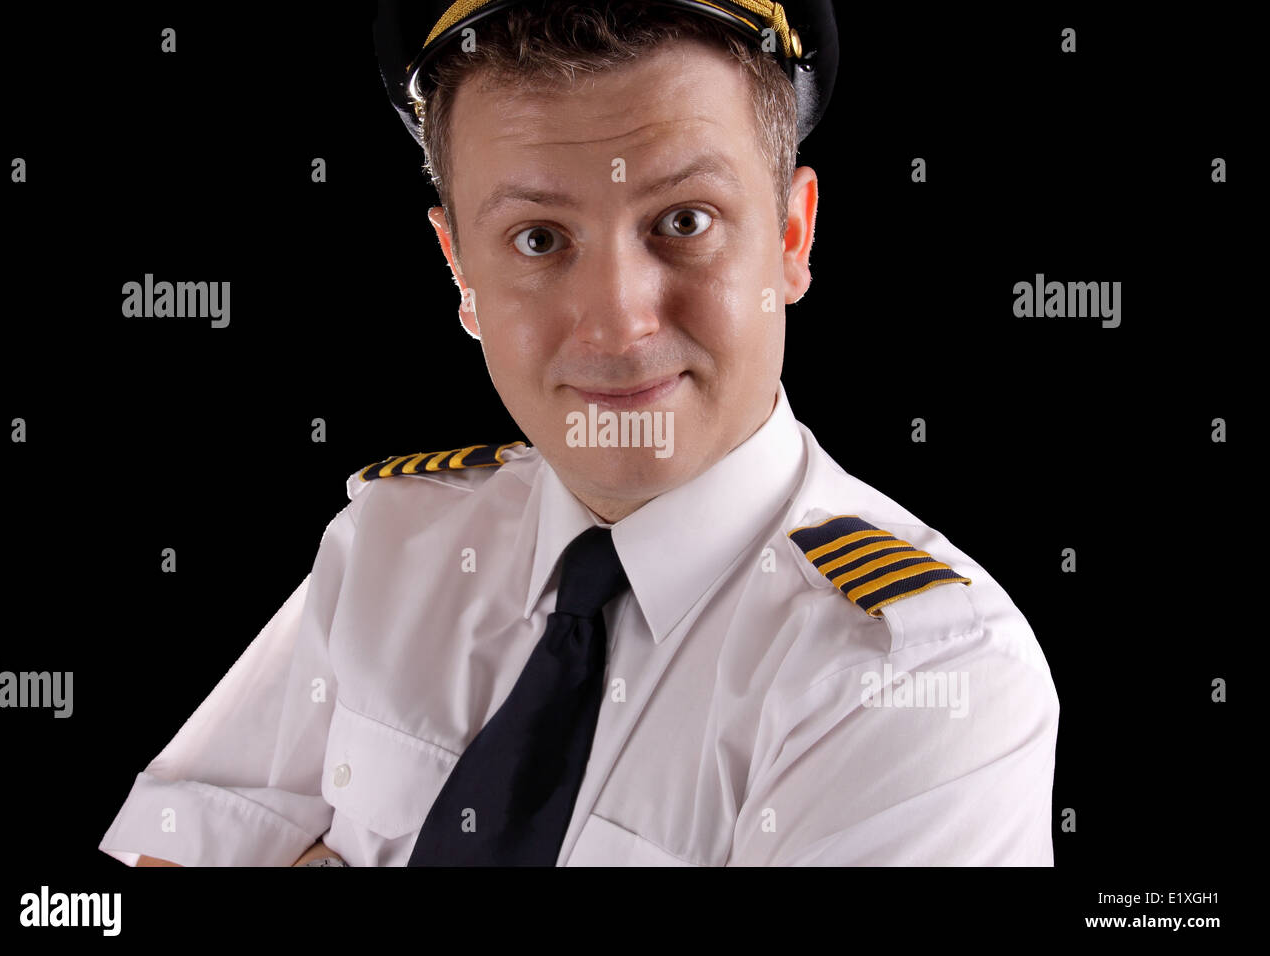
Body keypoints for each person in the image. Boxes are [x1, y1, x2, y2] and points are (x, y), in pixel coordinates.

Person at [100, 0, 1058, 867]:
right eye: (538, 239)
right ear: (459, 269)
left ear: (792, 239)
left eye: (684, 220)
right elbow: (174, 848)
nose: (616, 323)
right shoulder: (392, 541)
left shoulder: (925, 673)